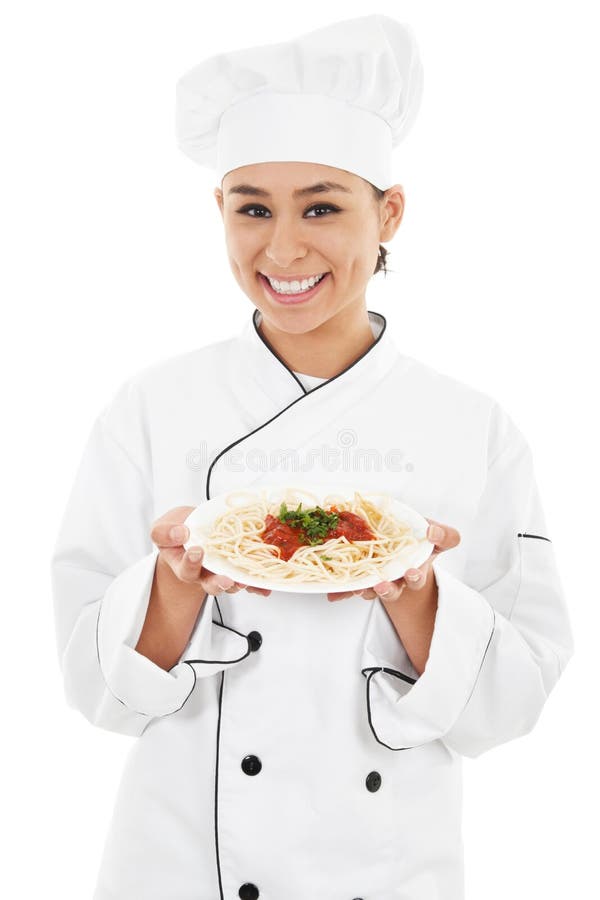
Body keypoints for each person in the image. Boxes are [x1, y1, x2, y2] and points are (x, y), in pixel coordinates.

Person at [50, 14, 574, 900]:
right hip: (182, 864)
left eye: (322, 207)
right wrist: (176, 581)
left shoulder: (473, 426)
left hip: (391, 867)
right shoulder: (151, 407)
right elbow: (93, 691)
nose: (282, 249)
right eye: (252, 208)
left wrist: (419, 593)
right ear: (219, 211)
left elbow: (512, 702)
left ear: (390, 214)